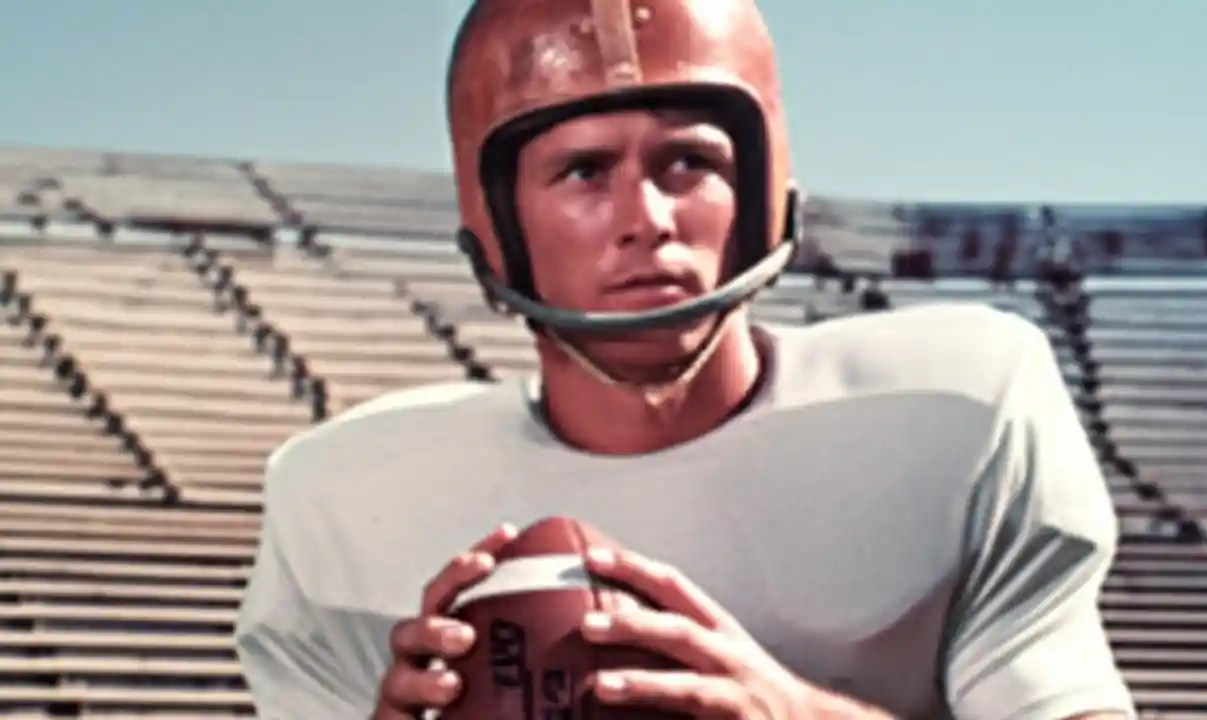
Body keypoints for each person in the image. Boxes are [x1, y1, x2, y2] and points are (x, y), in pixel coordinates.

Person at [233, 0, 1137, 718]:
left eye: (688, 162)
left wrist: (798, 715)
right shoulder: (340, 496)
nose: (647, 219)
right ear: (499, 218)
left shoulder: (960, 408)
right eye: (584, 171)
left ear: (759, 187)